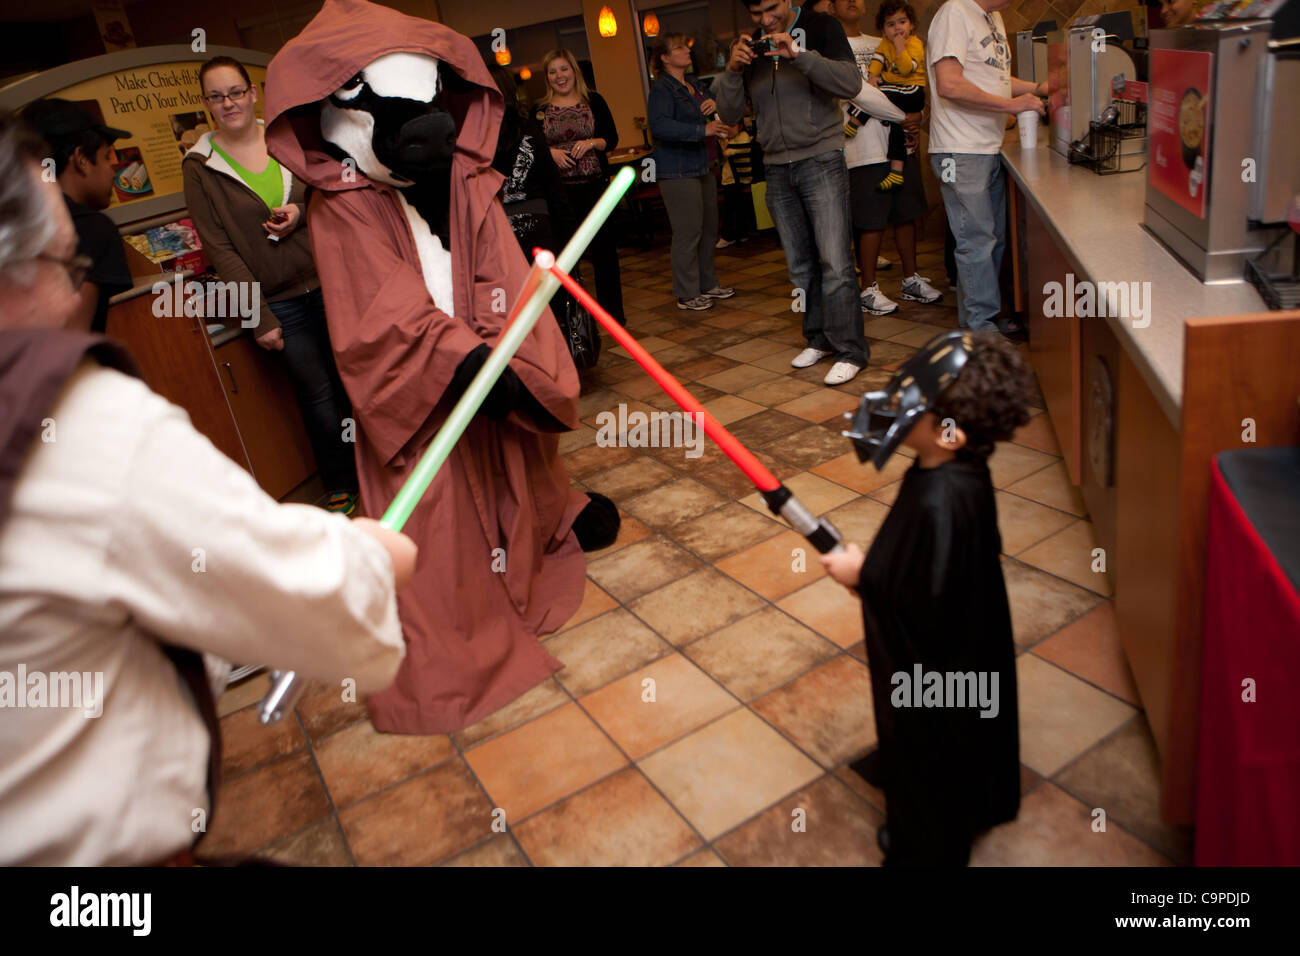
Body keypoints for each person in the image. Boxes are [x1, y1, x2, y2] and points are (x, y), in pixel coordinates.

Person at [0, 111, 415, 865]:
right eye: (69, 270)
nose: (74, 301)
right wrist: (370, 556)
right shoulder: (84, 427)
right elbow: (312, 596)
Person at [822, 330, 1032, 866]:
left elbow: (925, 602)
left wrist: (863, 574)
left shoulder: (942, 500)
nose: (897, 407)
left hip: (938, 675)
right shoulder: (956, 472)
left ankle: (929, 841)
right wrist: (878, 573)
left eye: (914, 403)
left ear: (951, 433)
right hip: (968, 648)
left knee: (932, 744)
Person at [183, 56, 361, 516]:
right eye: (217, 97)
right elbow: (219, 248)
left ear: (252, 93)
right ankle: (341, 480)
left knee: (357, 378)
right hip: (280, 304)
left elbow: (322, 187)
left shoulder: (285, 138)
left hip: (329, 283)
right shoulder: (200, 165)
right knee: (318, 395)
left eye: (236, 92)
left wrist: (301, 211)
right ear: (206, 104)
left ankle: (376, 467)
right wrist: (256, 315)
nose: (229, 103)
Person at [715, 0, 869, 387]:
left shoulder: (822, 26)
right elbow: (730, 117)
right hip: (776, 167)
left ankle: (850, 350)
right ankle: (817, 338)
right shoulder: (750, 46)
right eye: (755, 14)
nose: (765, 20)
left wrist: (799, 55)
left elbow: (850, 83)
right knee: (800, 266)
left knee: (834, 262)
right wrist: (732, 71)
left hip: (820, 159)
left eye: (770, 9)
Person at [927, 0, 1046, 335]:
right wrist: (1011, 105)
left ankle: (987, 319)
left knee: (991, 241)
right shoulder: (955, 12)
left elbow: (995, 78)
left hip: (986, 148)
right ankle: (980, 332)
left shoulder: (992, 17)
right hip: (959, 150)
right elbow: (949, 84)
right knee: (976, 243)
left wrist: (1037, 89)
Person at [832, 0, 941, 316]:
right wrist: (903, 113)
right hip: (863, 149)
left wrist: (917, 113)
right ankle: (868, 289)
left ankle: (911, 280)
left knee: (906, 214)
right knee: (872, 221)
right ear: (832, 7)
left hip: (898, 144)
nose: (852, 1)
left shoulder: (881, 42)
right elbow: (859, 95)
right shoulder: (832, 50)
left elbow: (914, 82)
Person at [20, 98, 133, 335]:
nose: (112, 170)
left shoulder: (18, 222)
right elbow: (67, 343)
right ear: (81, 159)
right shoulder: (91, 229)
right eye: (105, 157)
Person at [647, 32, 736, 312]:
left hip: (704, 163)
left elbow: (718, 111)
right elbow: (660, 127)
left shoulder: (695, 85)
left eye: (686, 46)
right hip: (677, 170)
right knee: (688, 231)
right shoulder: (662, 89)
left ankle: (707, 283)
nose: (687, 50)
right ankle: (686, 293)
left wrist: (713, 106)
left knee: (709, 228)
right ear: (664, 57)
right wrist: (702, 129)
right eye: (680, 48)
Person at [536, 49, 625, 325]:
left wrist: (592, 143)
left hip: (594, 187)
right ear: (547, 78)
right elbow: (530, 148)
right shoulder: (539, 110)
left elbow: (611, 139)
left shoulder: (594, 101)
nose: (559, 76)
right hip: (560, 194)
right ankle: (575, 318)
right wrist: (549, 152)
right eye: (553, 71)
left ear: (574, 71)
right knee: (566, 255)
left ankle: (612, 315)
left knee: (604, 252)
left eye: (564, 69)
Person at [865, 0, 927, 192]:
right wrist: (874, 75)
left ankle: (855, 121)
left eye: (902, 22)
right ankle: (896, 172)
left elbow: (907, 69)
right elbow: (877, 60)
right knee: (896, 131)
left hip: (912, 93)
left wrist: (900, 47)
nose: (897, 28)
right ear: (883, 30)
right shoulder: (884, 44)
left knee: (876, 94)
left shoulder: (914, 44)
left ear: (911, 25)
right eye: (891, 24)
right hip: (893, 109)